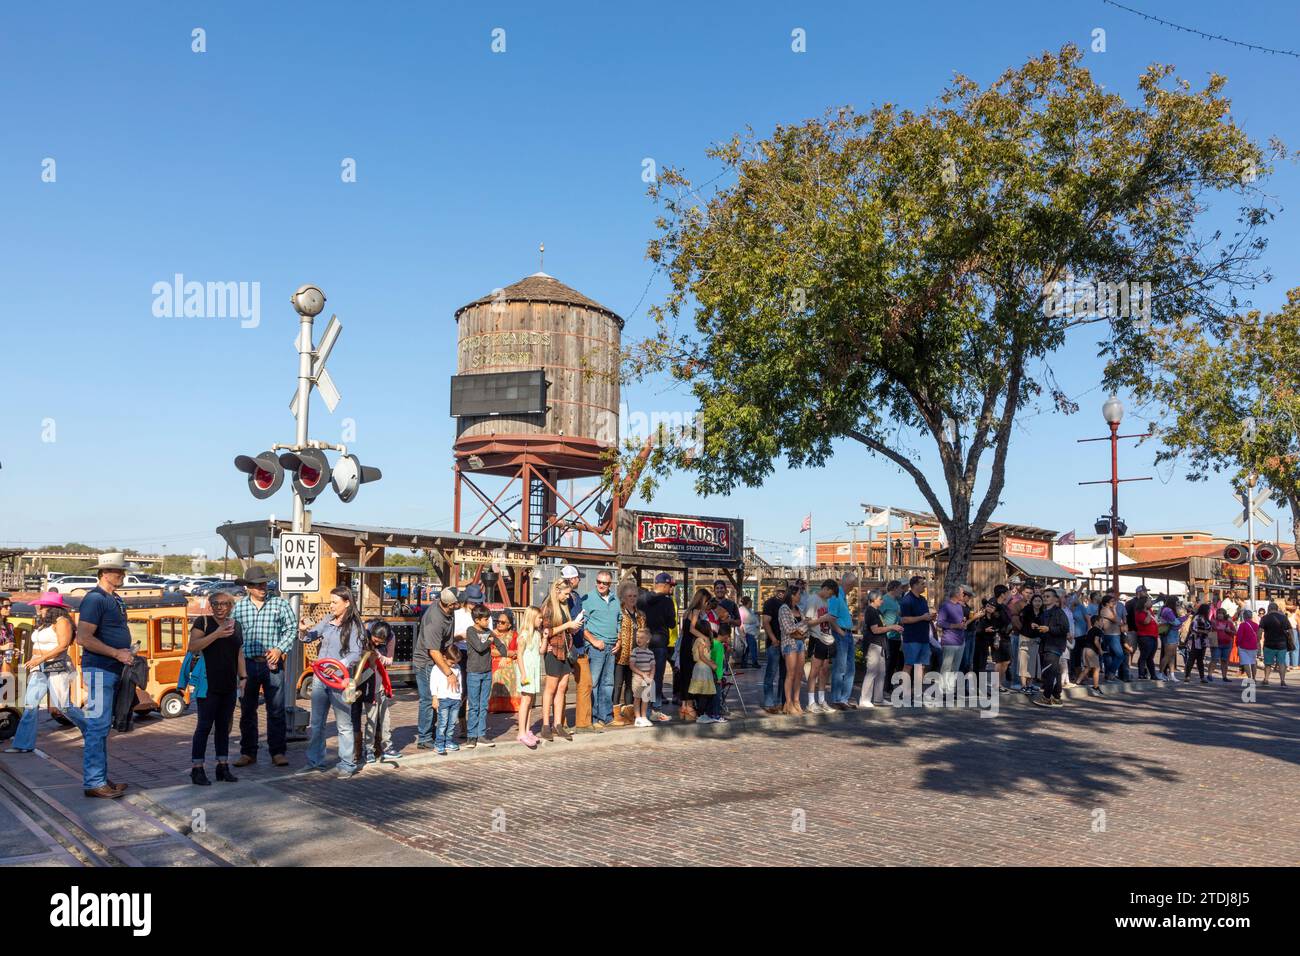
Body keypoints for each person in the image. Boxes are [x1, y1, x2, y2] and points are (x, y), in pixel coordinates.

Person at [66, 553, 136, 798]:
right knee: (98, 726)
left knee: (101, 725)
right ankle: (94, 782)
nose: (122, 575)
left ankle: (100, 778)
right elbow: (84, 638)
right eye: (118, 571)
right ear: (104, 573)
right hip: (100, 669)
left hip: (108, 669)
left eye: (123, 571)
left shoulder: (113, 599)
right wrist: (117, 653)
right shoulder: (95, 599)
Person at [230, 566, 297, 768]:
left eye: (263, 583)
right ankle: (248, 752)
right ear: (248, 587)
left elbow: (291, 628)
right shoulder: (239, 608)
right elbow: (233, 635)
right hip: (248, 665)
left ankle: (277, 751)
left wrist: (279, 649)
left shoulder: (279, 604)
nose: (262, 587)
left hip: (273, 664)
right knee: (247, 711)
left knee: (276, 709)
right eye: (257, 584)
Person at [300, 586, 367, 778]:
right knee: (317, 722)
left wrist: (338, 666)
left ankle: (347, 764)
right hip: (320, 678)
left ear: (347, 603)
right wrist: (304, 631)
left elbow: (355, 653)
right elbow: (310, 637)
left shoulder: (355, 625)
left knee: (344, 724)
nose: (331, 606)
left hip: (340, 680)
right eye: (330, 602)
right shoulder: (328, 620)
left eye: (334, 602)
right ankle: (315, 761)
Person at [185, 589, 246, 785]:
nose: (220, 607)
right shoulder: (203, 622)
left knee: (223, 727)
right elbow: (193, 646)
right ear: (211, 606)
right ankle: (197, 768)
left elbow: (239, 653)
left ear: (231, 607)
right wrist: (217, 634)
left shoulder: (236, 626)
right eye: (216, 604)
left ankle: (223, 766)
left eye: (225, 604)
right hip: (207, 683)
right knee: (204, 726)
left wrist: (243, 677)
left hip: (228, 683)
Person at [11, 592, 76, 753]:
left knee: (63, 705)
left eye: (41, 606)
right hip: (38, 667)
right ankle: (23, 745)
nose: (38, 608)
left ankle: (91, 729)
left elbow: (63, 646)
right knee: (30, 705)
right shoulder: (45, 623)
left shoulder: (62, 622)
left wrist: (39, 659)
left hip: (56, 667)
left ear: (52, 608)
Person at [414, 587, 460, 749]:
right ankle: (424, 737)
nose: (460, 604)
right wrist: (449, 673)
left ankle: (434, 733)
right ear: (450, 604)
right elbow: (433, 651)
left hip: (440, 657)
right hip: (426, 662)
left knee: (438, 697)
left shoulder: (448, 610)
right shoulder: (435, 619)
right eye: (457, 602)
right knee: (428, 698)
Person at [540, 580, 583, 741]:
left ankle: (558, 724)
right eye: (566, 593)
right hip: (553, 650)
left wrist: (574, 627)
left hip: (565, 649)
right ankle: (545, 724)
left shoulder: (564, 606)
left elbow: (565, 629)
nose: (568, 596)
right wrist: (567, 626)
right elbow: (547, 631)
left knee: (562, 687)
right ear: (557, 591)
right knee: (550, 688)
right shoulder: (549, 607)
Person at [462, 604, 508, 749]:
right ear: (477, 620)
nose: (488, 622)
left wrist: (503, 652)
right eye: (485, 619)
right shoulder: (471, 631)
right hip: (474, 672)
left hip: (487, 672)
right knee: (474, 706)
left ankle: (481, 734)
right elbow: (480, 647)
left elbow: (502, 647)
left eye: (488, 619)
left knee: (483, 705)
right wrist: (490, 640)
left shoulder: (489, 632)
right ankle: (471, 736)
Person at [581, 569, 619, 730]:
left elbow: (619, 620)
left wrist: (620, 639)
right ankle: (594, 717)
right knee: (594, 683)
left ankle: (607, 716)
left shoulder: (615, 599)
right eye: (599, 582)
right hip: (596, 647)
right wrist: (594, 641)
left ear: (610, 584)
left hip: (612, 646)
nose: (601, 585)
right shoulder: (588, 599)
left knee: (608, 683)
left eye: (605, 583)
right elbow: (581, 624)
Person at [636, 572, 677, 719]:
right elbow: (672, 623)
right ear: (665, 585)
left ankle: (641, 710)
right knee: (657, 677)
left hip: (643, 642)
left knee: (643, 676)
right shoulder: (667, 602)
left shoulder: (642, 599)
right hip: (659, 642)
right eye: (670, 586)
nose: (671, 589)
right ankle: (656, 709)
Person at [361, 621, 400, 763]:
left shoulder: (390, 638)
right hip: (368, 685)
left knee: (385, 717)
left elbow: (389, 660)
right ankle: (368, 749)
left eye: (380, 642)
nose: (377, 644)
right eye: (375, 641)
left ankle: (387, 747)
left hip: (381, 684)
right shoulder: (364, 634)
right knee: (371, 718)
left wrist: (379, 656)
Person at [610, 582, 644, 726]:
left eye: (635, 596)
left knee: (631, 686)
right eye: (629, 596)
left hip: (635, 657)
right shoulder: (620, 612)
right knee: (617, 685)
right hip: (621, 655)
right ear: (623, 597)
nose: (632, 598)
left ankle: (629, 714)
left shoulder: (641, 615)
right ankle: (615, 714)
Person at [858, 589, 898, 707]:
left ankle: (878, 699)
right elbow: (875, 630)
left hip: (880, 644)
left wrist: (891, 627)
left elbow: (881, 627)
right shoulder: (871, 611)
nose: (882, 601)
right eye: (880, 599)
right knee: (872, 671)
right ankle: (864, 699)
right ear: (874, 599)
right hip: (873, 644)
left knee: (881, 672)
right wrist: (892, 627)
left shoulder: (877, 611)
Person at [678, 589, 714, 721]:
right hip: (690, 646)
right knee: (690, 676)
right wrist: (705, 637)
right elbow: (692, 629)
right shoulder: (696, 611)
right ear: (702, 600)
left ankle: (683, 706)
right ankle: (689, 706)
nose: (707, 603)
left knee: (685, 675)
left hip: (684, 645)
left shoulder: (687, 611)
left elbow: (684, 630)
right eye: (707, 601)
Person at [1033, 588, 1072, 707]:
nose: (1044, 598)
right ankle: (1056, 698)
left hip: (1054, 646)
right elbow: (1044, 629)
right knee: (1054, 673)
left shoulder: (1059, 612)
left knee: (1049, 673)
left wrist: (1049, 629)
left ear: (1055, 599)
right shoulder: (1045, 612)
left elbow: (1065, 629)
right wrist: (1037, 626)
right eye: (1044, 596)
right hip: (1046, 646)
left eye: (1048, 596)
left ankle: (1046, 697)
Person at [804, 581, 839, 713]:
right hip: (817, 638)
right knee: (814, 671)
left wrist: (832, 623)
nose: (830, 596)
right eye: (830, 593)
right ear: (825, 588)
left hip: (827, 638)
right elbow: (808, 622)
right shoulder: (813, 600)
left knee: (824, 671)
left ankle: (822, 700)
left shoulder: (826, 601)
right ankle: (811, 702)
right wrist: (824, 618)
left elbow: (827, 620)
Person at [898, 575, 936, 692]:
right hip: (912, 638)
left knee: (921, 666)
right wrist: (922, 617)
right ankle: (904, 691)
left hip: (924, 638)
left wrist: (930, 617)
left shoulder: (923, 600)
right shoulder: (907, 600)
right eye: (922, 584)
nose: (924, 586)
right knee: (909, 665)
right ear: (914, 585)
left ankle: (916, 691)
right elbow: (904, 620)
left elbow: (924, 616)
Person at [513, 606, 544, 749]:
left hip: (534, 670)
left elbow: (541, 651)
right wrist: (523, 673)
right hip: (526, 671)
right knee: (525, 700)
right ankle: (521, 732)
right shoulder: (524, 635)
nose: (541, 620)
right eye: (539, 618)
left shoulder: (537, 634)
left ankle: (527, 728)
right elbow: (519, 655)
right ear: (532, 618)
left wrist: (545, 638)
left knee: (531, 701)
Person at [826, 573, 857, 709]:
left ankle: (844, 698)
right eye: (853, 585)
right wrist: (841, 633)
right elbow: (831, 617)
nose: (853, 588)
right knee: (841, 667)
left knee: (850, 668)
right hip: (842, 635)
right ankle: (837, 699)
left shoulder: (842, 596)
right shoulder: (836, 596)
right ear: (848, 584)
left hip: (847, 634)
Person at [778, 586, 809, 715]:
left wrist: (800, 631)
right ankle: (788, 702)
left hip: (801, 643)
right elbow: (788, 629)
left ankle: (796, 701)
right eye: (798, 594)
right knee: (790, 674)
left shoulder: (799, 609)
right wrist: (803, 625)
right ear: (792, 595)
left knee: (799, 674)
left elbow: (806, 629)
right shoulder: (784, 609)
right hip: (789, 644)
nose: (800, 596)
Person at [936, 584, 970, 695]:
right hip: (950, 641)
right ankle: (942, 691)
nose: (963, 595)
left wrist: (963, 624)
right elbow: (940, 623)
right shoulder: (945, 606)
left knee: (955, 668)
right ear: (956, 594)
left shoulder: (959, 606)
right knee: (946, 667)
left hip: (960, 641)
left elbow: (959, 623)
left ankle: (950, 689)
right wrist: (956, 626)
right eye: (962, 593)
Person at [760, 580, 789, 714]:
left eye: (783, 590)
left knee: (784, 674)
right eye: (778, 590)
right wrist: (773, 639)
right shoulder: (770, 603)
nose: (780, 593)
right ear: (775, 590)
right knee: (771, 673)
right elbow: (766, 622)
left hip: (787, 643)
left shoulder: (788, 603)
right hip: (775, 643)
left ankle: (781, 702)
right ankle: (769, 702)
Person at [432, 645, 464, 755]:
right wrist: (435, 697)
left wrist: (460, 697)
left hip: (455, 699)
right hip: (443, 699)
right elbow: (433, 683)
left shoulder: (457, 668)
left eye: (455, 663)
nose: (453, 665)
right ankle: (439, 743)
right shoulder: (437, 668)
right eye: (451, 662)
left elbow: (460, 683)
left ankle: (448, 741)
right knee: (442, 722)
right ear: (444, 657)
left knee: (452, 723)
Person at [687, 614, 719, 724]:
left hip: (704, 668)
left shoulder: (704, 640)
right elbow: (701, 656)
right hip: (702, 668)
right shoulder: (700, 640)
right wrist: (711, 664)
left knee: (705, 692)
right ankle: (700, 714)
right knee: (704, 692)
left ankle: (701, 712)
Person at [1017, 593, 1045, 695]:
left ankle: (1029, 685)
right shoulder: (1027, 609)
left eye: (1039, 601)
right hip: (1025, 637)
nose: (1037, 603)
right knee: (1023, 662)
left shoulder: (1043, 613)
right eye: (1035, 601)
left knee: (1033, 663)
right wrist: (1030, 624)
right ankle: (1023, 686)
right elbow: (1022, 618)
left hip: (1036, 639)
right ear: (1032, 602)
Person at [1259, 602, 1293, 687]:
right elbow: (1290, 630)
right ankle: (1282, 681)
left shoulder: (1264, 618)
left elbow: (1260, 631)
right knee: (1282, 663)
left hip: (1269, 644)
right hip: (1282, 644)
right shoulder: (1284, 618)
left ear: (1269, 609)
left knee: (1268, 664)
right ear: (1277, 609)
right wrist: (1291, 640)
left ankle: (1266, 680)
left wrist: (1258, 640)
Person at [629, 627, 656, 727]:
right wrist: (643, 674)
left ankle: (644, 717)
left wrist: (651, 677)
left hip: (647, 679)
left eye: (641, 637)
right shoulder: (635, 651)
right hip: (638, 678)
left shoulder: (650, 653)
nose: (638, 639)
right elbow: (632, 665)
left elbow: (653, 666)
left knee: (645, 698)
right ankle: (638, 718)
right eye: (637, 637)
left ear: (647, 640)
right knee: (637, 698)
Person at [1097, 593, 1126, 682]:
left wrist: (1114, 611)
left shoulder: (1110, 609)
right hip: (1111, 635)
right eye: (1112, 601)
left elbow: (1119, 620)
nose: (1114, 603)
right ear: (1106, 603)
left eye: (1114, 601)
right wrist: (1114, 610)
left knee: (1111, 655)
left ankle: (1109, 675)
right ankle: (1111, 672)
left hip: (1114, 634)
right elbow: (1116, 619)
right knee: (1120, 655)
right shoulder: (1105, 610)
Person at [881, 580, 905, 686]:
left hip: (897, 635)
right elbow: (878, 614)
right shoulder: (885, 600)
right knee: (889, 662)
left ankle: (891, 685)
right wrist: (885, 627)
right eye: (900, 588)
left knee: (896, 661)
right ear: (894, 588)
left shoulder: (896, 600)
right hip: (888, 635)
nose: (901, 590)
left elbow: (898, 615)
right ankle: (886, 687)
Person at [1158, 597, 1185, 682]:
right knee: (1168, 655)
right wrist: (1185, 617)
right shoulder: (1167, 610)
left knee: (1172, 655)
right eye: (1177, 602)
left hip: (1173, 634)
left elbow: (1176, 622)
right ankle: (1160, 673)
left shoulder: (1169, 610)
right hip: (1169, 634)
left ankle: (1172, 674)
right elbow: (1175, 622)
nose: (1178, 604)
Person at [1134, 595, 1160, 680]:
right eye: (1149, 601)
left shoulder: (1150, 611)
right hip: (1145, 637)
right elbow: (1146, 622)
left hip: (1153, 636)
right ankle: (1141, 674)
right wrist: (1148, 614)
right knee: (1144, 656)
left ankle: (1153, 675)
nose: (1151, 602)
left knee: (1150, 657)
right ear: (1144, 603)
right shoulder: (1140, 613)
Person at [1185, 604, 1212, 683]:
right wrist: (1205, 631)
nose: (1209, 611)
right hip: (1196, 640)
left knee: (1200, 659)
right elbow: (1193, 628)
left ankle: (1202, 677)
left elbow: (1209, 628)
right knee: (1192, 658)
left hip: (1203, 641)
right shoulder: (1198, 618)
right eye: (1208, 609)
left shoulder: (1205, 618)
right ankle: (1187, 676)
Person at [1079, 620, 1105, 697]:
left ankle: (1078, 682)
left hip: (1085, 649)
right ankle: (1095, 687)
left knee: (1087, 667)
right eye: (1101, 621)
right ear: (1097, 621)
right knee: (1097, 668)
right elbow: (1096, 641)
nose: (1102, 623)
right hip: (1091, 651)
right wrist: (1100, 650)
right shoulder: (1098, 630)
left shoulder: (1090, 630)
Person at [1211, 607, 1236, 684]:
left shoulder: (1229, 623)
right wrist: (1212, 644)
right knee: (1214, 659)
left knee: (1225, 661)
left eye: (1221, 614)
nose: (1219, 615)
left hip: (1227, 644)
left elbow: (1235, 632)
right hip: (1217, 644)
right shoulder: (1214, 622)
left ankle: (1224, 677)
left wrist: (1229, 631)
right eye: (1218, 614)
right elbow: (1211, 633)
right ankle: (1209, 675)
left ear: (1224, 615)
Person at [1235, 607, 1261, 683]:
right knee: (1253, 662)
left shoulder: (1242, 625)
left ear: (1244, 616)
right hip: (1253, 646)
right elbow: (1259, 635)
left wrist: (1237, 644)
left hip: (1243, 646)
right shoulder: (1256, 625)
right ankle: (1254, 678)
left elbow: (1239, 636)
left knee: (1246, 662)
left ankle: (1249, 677)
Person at [738, 594, 760, 668]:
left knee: (748, 648)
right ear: (748, 602)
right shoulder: (741, 609)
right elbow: (740, 621)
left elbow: (754, 618)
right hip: (746, 631)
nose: (751, 603)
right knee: (751, 647)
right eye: (750, 602)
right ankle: (754, 662)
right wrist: (742, 632)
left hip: (752, 631)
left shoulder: (750, 610)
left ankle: (744, 662)